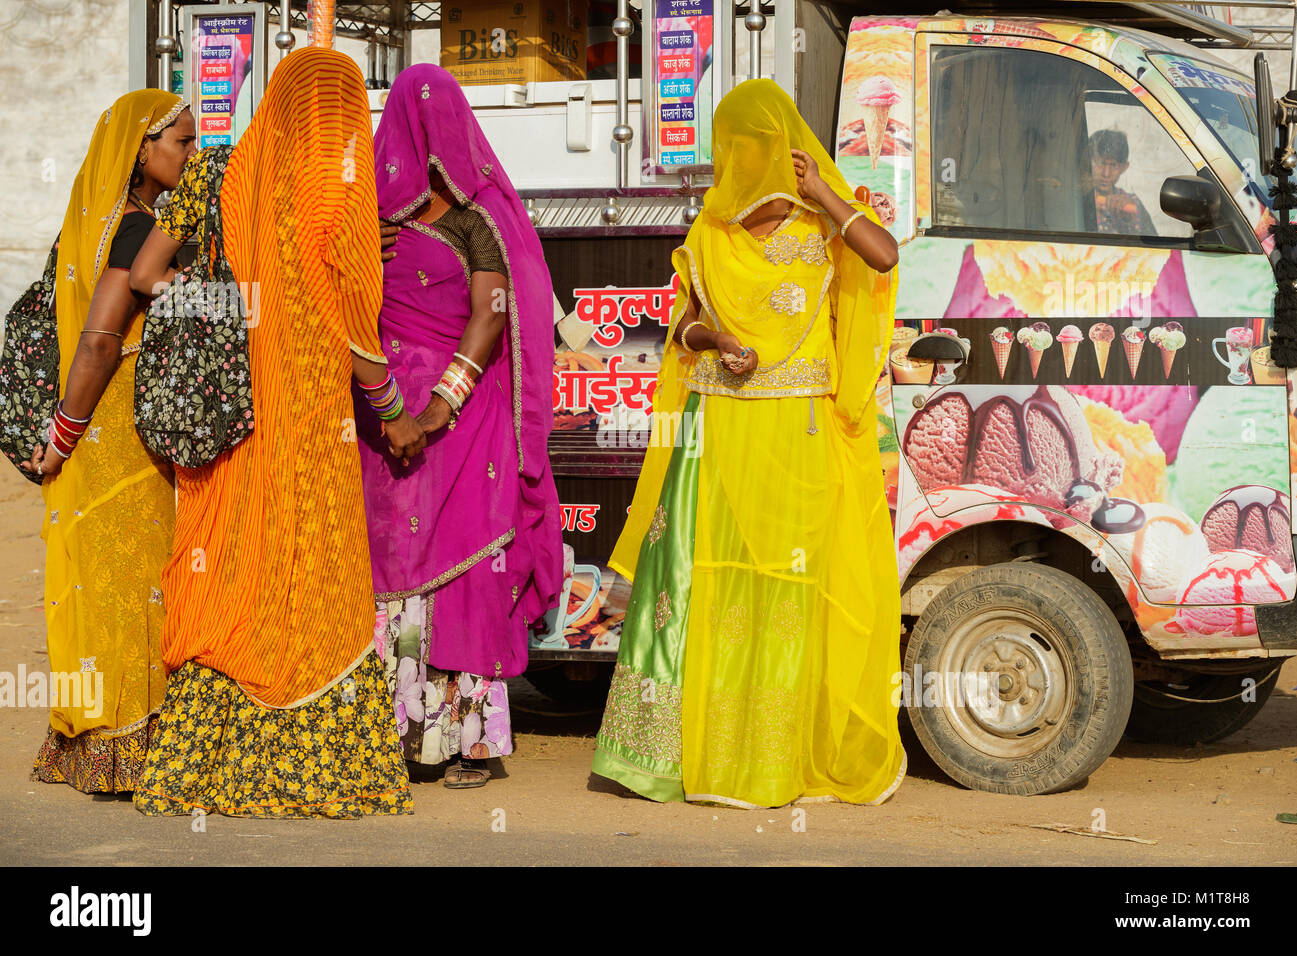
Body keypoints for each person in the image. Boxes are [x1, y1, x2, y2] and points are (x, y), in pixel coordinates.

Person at [591, 79, 904, 809]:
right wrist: (719, 340)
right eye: (737, 146)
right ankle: (691, 756)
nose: (745, 159)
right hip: (719, 431)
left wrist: (825, 194)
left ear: (787, 146)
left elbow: (884, 257)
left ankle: (772, 761)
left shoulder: (824, 224)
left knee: (788, 590)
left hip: (798, 433)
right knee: (708, 586)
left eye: (757, 145)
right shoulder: (711, 235)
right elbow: (682, 330)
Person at [127, 48, 422, 818]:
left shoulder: (221, 166)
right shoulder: (338, 192)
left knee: (231, 562)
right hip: (310, 419)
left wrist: (216, 302)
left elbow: (144, 275)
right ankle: (315, 767)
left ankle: (201, 766)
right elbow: (358, 329)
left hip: (230, 412)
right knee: (309, 571)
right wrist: (393, 410)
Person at [363, 64, 563, 788]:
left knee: (468, 570)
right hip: (381, 415)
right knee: (387, 568)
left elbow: (490, 318)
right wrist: (391, 408)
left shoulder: (478, 221)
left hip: (461, 418)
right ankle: (390, 736)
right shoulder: (372, 225)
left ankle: (471, 741)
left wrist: (438, 407)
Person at [22, 91, 194, 793]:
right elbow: (98, 338)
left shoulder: (89, 227)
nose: (190, 153)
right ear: (142, 152)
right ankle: (124, 748)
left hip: (94, 431)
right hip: (115, 432)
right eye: (180, 142)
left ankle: (87, 744)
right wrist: (63, 435)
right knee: (129, 582)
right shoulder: (134, 231)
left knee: (99, 580)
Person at [1089, 129, 1156, 235]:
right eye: (1100, 163)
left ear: (1124, 167)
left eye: (1113, 165)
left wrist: (1129, 220)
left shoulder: (1132, 204)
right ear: (1088, 162)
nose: (1106, 173)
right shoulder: (1078, 200)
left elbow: (1153, 246)